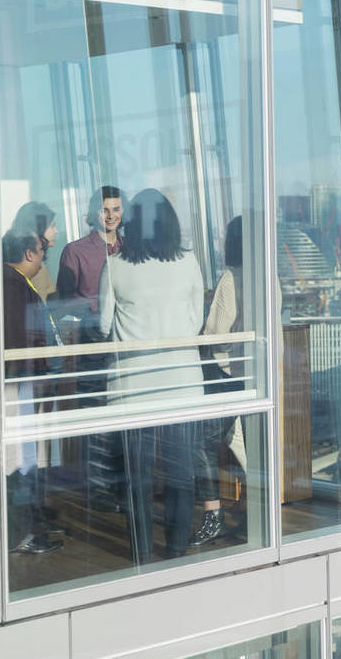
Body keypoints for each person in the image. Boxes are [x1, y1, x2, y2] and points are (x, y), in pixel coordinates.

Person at [99, 189, 204, 561]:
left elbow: (102, 323)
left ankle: (142, 551)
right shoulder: (189, 261)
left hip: (132, 385)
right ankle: (175, 547)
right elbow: (197, 320)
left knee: (136, 476)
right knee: (181, 472)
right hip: (181, 379)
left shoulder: (114, 266)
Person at [57, 186, 127, 513]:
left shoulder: (132, 250)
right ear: (93, 212)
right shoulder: (76, 251)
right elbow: (63, 302)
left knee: (125, 414)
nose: (111, 215)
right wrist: (97, 305)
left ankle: (125, 486)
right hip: (93, 340)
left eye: (116, 209)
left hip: (127, 340)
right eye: (105, 210)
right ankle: (99, 490)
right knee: (97, 417)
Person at [2, 227, 65, 555]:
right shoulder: (15, 288)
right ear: (29, 254)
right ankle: (20, 534)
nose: (43, 255)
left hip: (17, 384)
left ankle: (24, 528)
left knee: (21, 460)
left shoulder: (6, 283)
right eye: (42, 250)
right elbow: (23, 343)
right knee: (20, 462)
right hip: (19, 385)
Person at [190, 216, 247, 548]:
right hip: (256, 374)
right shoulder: (271, 277)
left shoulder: (230, 279)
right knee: (238, 438)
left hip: (226, 376)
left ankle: (213, 517)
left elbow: (216, 336)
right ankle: (261, 509)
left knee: (203, 442)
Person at [11, 201, 59, 300]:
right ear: (39, 228)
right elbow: (39, 311)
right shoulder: (32, 266)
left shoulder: (29, 260)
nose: (56, 231)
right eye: (52, 226)